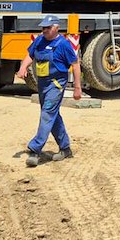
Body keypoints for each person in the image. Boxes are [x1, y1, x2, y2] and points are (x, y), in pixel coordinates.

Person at [16, 15, 83, 165]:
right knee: (52, 116)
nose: (44, 30)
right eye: (43, 27)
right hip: (43, 84)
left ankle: (35, 150)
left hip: (56, 85)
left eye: (48, 27)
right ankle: (65, 148)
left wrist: (77, 88)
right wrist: (23, 67)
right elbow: (30, 55)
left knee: (47, 114)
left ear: (56, 27)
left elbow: (76, 65)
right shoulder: (39, 40)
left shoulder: (64, 45)